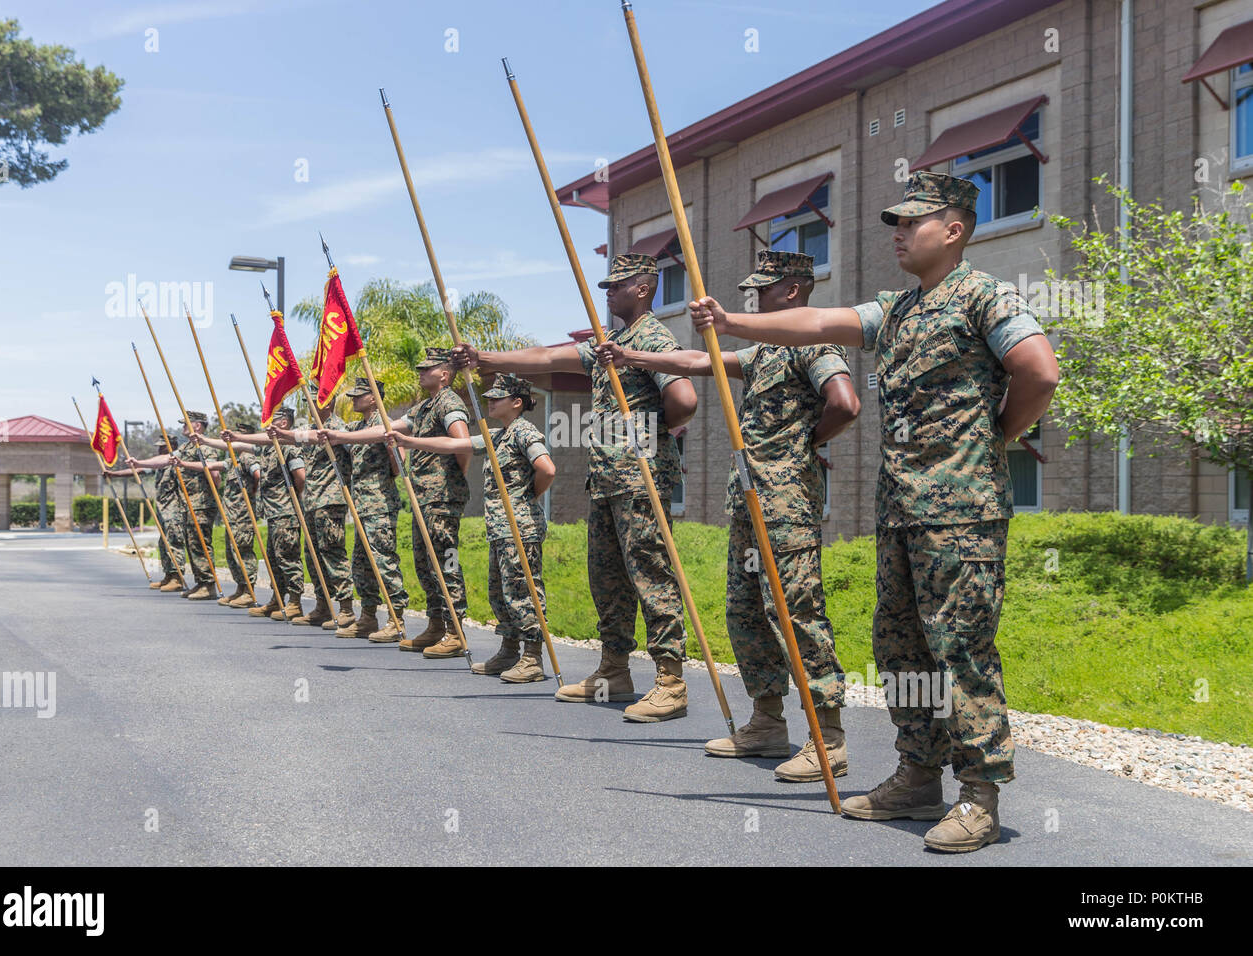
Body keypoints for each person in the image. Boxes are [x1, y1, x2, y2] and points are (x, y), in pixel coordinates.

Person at [688, 171, 1059, 852]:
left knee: (960, 652)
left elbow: (1039, 371)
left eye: (911, 222)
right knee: (902, 647)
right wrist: (734, 321)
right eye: (895, 222)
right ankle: (918, 775)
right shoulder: (898, 309)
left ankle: (979, 794)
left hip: (962, 516)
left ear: (953, 229)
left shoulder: (984, 296)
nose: (897, 233)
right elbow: (820, 321)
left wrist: (995, 437)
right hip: (901, 512)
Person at [597, 249, 859, 779]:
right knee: (747, 613)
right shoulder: (764, 352)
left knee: (795, 612)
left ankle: (827, 737)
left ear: (791, 290)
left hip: (785, 503)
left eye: (763, 289)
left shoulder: (813, 343)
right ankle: (767, 721)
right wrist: (635, 360)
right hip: (746, 501)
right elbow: (698, 361)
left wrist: (802, 446)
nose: (754, 297)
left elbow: (845, 403)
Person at [452, 253, 698, 721]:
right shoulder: (612, 344)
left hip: (639, 481)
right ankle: (615, 670)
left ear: (644, 288)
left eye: (617, 284)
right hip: (605, 484)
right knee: (608, 580)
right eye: (604, 286)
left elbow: (683, 400)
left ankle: (670, 680)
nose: (607, 292)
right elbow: (547, 356)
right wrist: (484, 358)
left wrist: (644, 438)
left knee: (651, 577)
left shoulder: (654, 338)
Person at [388, 373, 554, 682]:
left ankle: (532, 657)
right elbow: (456, 443)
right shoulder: (498, 435)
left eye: (498, 397)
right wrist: (410, 441)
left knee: (522, 591)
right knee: (500, 592)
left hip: (519, 527)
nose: (490, 401)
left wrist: (528, 496)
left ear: (516, 402)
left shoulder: (523, 432)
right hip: (499, 528)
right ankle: (508, 650)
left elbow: (547, 468)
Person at [389, 348, 471, 658]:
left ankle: (455, 630)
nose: (421, 372)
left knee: (445, 561)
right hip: (423, 497)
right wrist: (337, 436)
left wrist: (453, 479)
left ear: (445, 374)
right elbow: (391, 428)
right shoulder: (424, 407)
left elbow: (462, 443)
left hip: (442, 498)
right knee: (425, 564)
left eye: (428, 369)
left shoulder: (449, 402)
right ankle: (436, 624)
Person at [318, 378, 409, 642]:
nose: (354, 399)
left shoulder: (385, 427)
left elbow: (398, 465)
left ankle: (396, 619)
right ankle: (368, 616)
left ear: (373, 398)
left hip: (379, 504)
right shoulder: (357, 427)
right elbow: (332, 437)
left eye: (360, 395)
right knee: (361, 565)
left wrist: (392, 451)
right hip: (361, 506)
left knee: (384, 561)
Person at [269, 396, 355, 628]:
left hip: (331, 501)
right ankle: (323, 605)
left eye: (316, 400)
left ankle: (346, 607)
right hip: (312, 502)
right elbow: (284, 437)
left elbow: (356, 457)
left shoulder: (339, 429)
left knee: (332, 553)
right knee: (313, 555)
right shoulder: (308, 430)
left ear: (328, 403)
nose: (310, 405)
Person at [221, 407, 308, 621]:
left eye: (273, 419)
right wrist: (232, 438)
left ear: (284, 423)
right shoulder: (269, 449)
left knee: (287, 557)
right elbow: (244, 445)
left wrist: (291, 499)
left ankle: (295, 602)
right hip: (273, 513)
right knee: (273, 558)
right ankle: (277, 599)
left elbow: (300, 477)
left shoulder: (288, 448)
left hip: (285, 512)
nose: (267, 423)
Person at [129, 412, 219, 600]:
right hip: (188, 505)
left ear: (198, 426)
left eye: (186, 423)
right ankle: (200, 582)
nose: (182, 427)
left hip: (201, 504)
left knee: (201, 544)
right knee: (193, 544)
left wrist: (213, 493)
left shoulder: (205, 447)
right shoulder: (186, 448)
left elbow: (214, 472)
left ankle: (208, 584)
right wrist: (139, 463)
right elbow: (165, 460)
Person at [177, 424, 261, 608]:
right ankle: (240, 588)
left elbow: (258, 475)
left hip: (243, 515)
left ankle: (249, 591)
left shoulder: (247, 457)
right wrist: (182, 464)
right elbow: (208, 465)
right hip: (231, 515)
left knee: (242, 551)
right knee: (232, 553)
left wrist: (254, 495)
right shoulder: (233, 460)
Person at [108, 438, 183, 591]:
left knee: (174, 541)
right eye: (159, 448)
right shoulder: (158, 465)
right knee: (163, 543)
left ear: (172, 447)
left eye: (162, 447)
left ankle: (177, 578)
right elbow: (138, 471)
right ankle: (168, 575)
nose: (159, 451)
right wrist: (114, 474)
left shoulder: (176, 459)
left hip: (175, 508)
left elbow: (157, 461)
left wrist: (139, 462)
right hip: (163, 508)